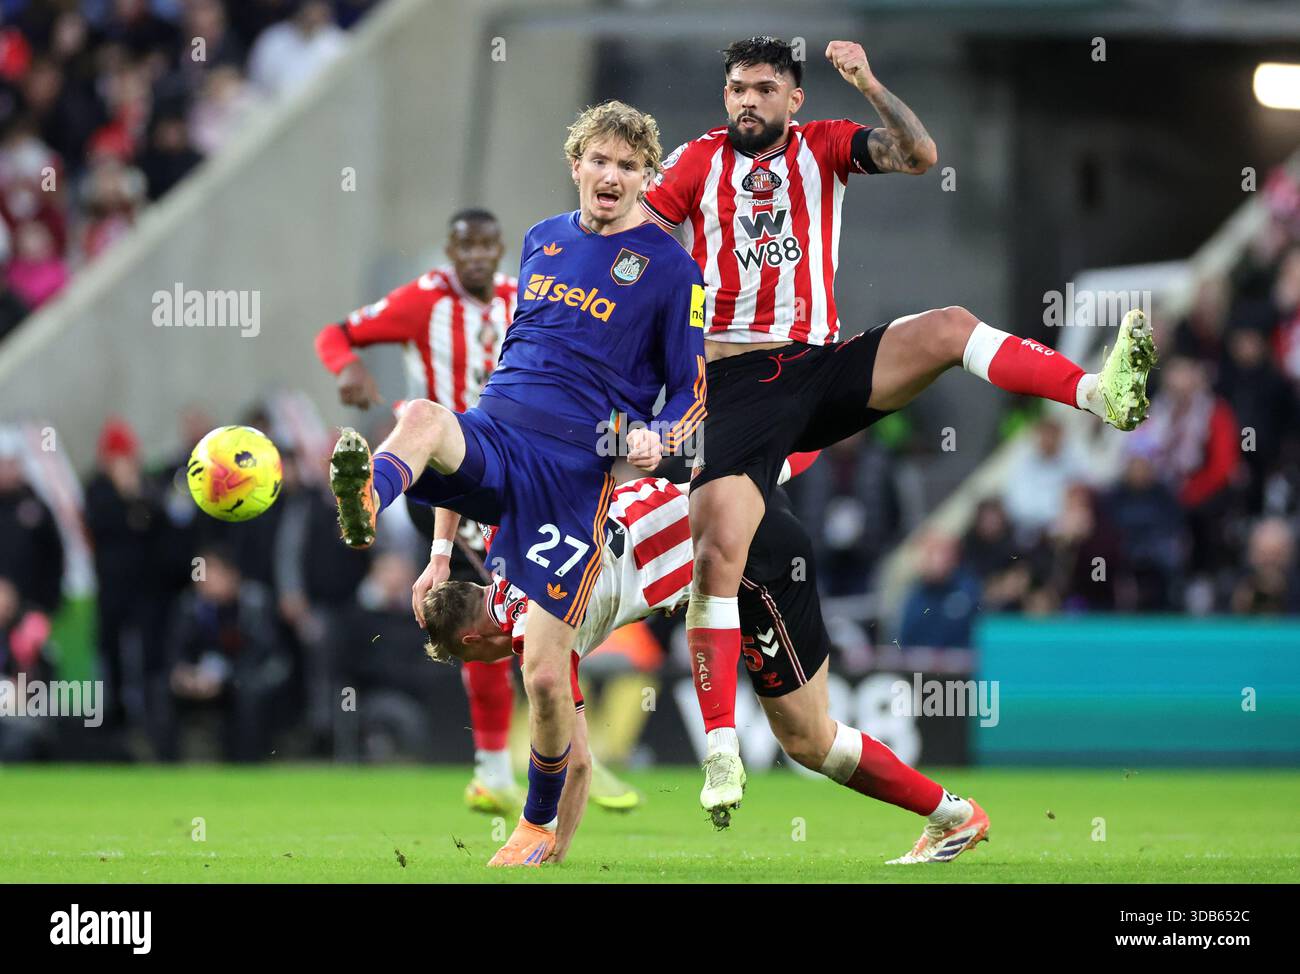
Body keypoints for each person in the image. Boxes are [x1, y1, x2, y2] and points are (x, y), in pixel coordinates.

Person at [640, 36, 1157, 823]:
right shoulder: (695, 162)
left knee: (948, 327)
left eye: (765, 88)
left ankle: (1101, 393)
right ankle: (924, 807)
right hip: (737, 384)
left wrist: (870, 84)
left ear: (794, 99)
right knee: (794, 707)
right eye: (737, 87)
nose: (748, 100)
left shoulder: (824, 145)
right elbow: (637, 244)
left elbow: (918, 155)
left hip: (816, 368)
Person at [327, 100, 706, 866]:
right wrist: (439, 555)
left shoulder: (672, 268)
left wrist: (659, 437)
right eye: (600, 160)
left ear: (647, 176)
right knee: (424, 414)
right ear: (576, 165)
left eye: (629, 165)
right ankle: (368, 499)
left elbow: (691, 391)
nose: (612, 176)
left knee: (542, 671)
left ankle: (534, 825)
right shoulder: (542, 240)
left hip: (570, 477)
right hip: (500, 433)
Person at [418, 458, 989, 864]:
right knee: (806, 736)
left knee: (809, 738)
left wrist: (546, 848)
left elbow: (579, 763)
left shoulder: (537, 637)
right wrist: (440, 555)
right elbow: (457, 464)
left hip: (750, 554)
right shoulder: (506, 534)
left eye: (472, 658)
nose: (487, 664)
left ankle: (953, 816)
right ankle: (951, 816)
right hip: (725, 503)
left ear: (472, 640)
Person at [315, 208, 530, 812]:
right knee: (504, 604)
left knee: (499, 609)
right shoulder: (424, 300)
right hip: (441, 473)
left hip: (508, 468)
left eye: (487, 245)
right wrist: (348, 367)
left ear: (500, 248)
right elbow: (335, 335)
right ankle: (508, 764)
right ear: (449, 252)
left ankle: (505, 766)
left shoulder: (525, 297)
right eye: (465, 247)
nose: (477, 256)